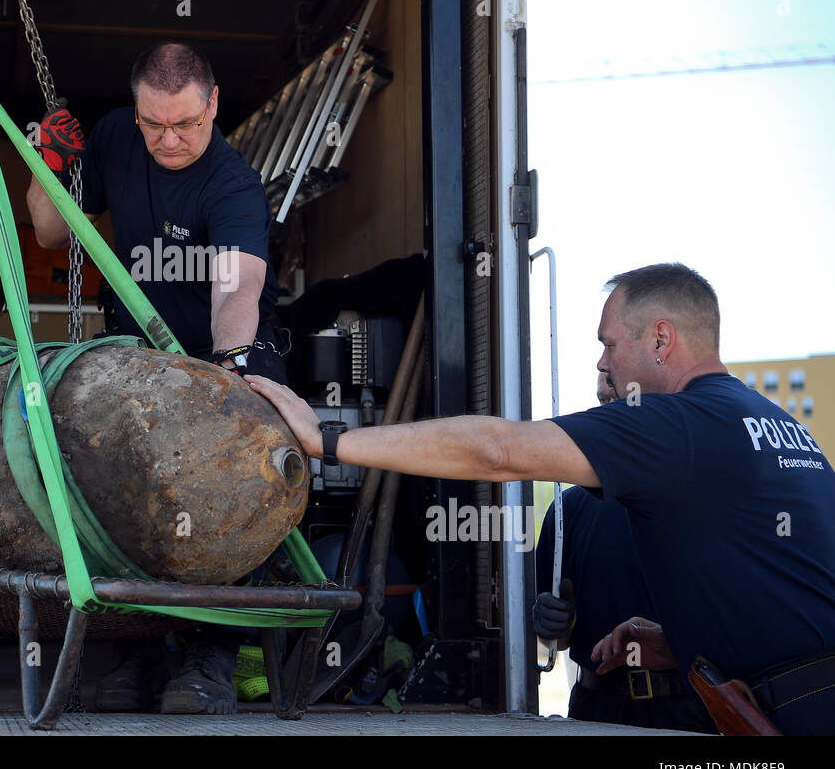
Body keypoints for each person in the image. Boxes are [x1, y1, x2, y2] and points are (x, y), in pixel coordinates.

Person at [249, 263, 835, 734]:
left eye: (609, 344)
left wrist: (329, 439)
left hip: (794, 710)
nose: (603, 362)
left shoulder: (675, 424)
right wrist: (681, 643)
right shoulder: (779, 425)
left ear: (661, 338)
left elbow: (497, 451)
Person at [25, 41, 286, 714]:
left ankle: (209, 660)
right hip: (136, 361)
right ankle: (134, 652)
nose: (168, 140)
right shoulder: (117, 136)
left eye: (187, 124)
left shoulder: (231, 184)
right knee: (116, 493)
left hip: (221, 355)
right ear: (136, 108)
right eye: (155, 124)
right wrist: (45, 163)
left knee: (232, 482)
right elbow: (51, 230)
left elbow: (237, 289)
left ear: (214, 105)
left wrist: (229, 375)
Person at [532, 374, 712, 731]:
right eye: (604, 404)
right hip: (594, 711)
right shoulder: (568, 511)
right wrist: (552, 623)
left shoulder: (709, 502)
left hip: (687, 715)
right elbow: (557, 638)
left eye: (623, 404)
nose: (611, 417)